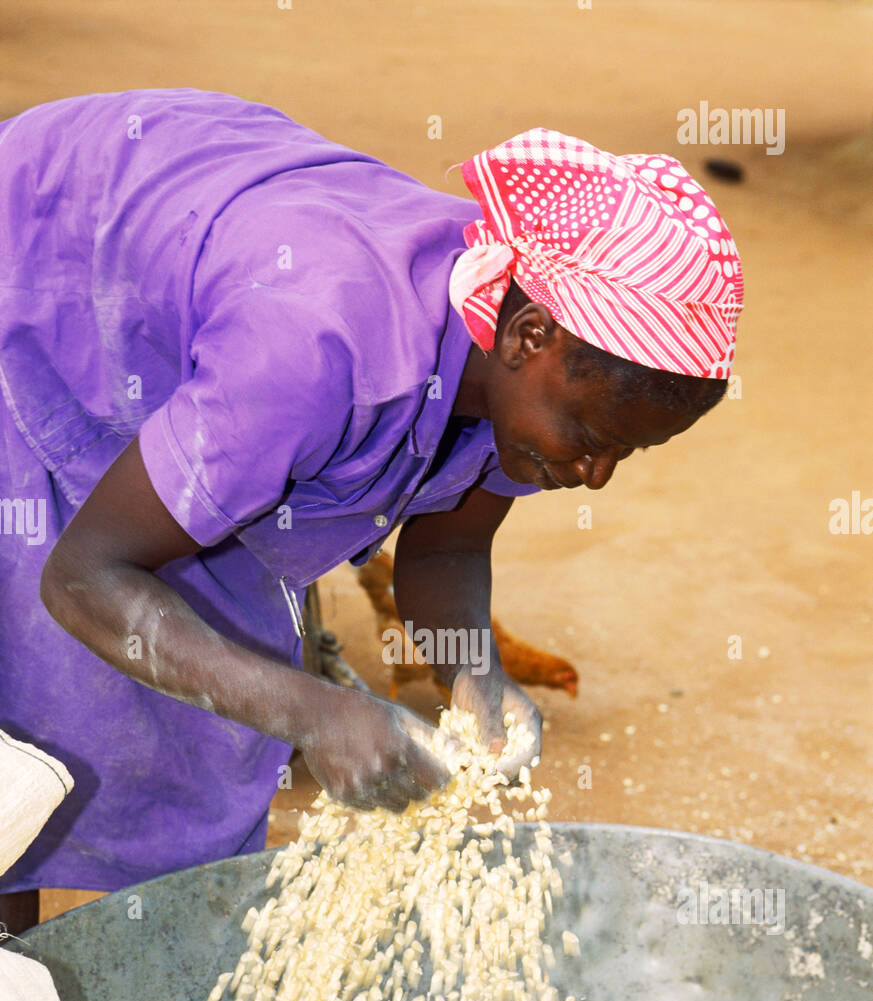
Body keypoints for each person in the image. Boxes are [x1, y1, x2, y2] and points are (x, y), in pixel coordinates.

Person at [0, 93, 743, 932]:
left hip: (207, 300)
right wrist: (316, 711)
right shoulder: (311, 352)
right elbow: (85, 576)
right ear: (529, 337)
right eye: (591, 437)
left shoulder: (524, 377)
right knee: (32, 723)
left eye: (626, 453)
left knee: (216, 712)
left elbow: (446, 553)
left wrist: (473, 675)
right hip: (40, 266)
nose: (595, 473)